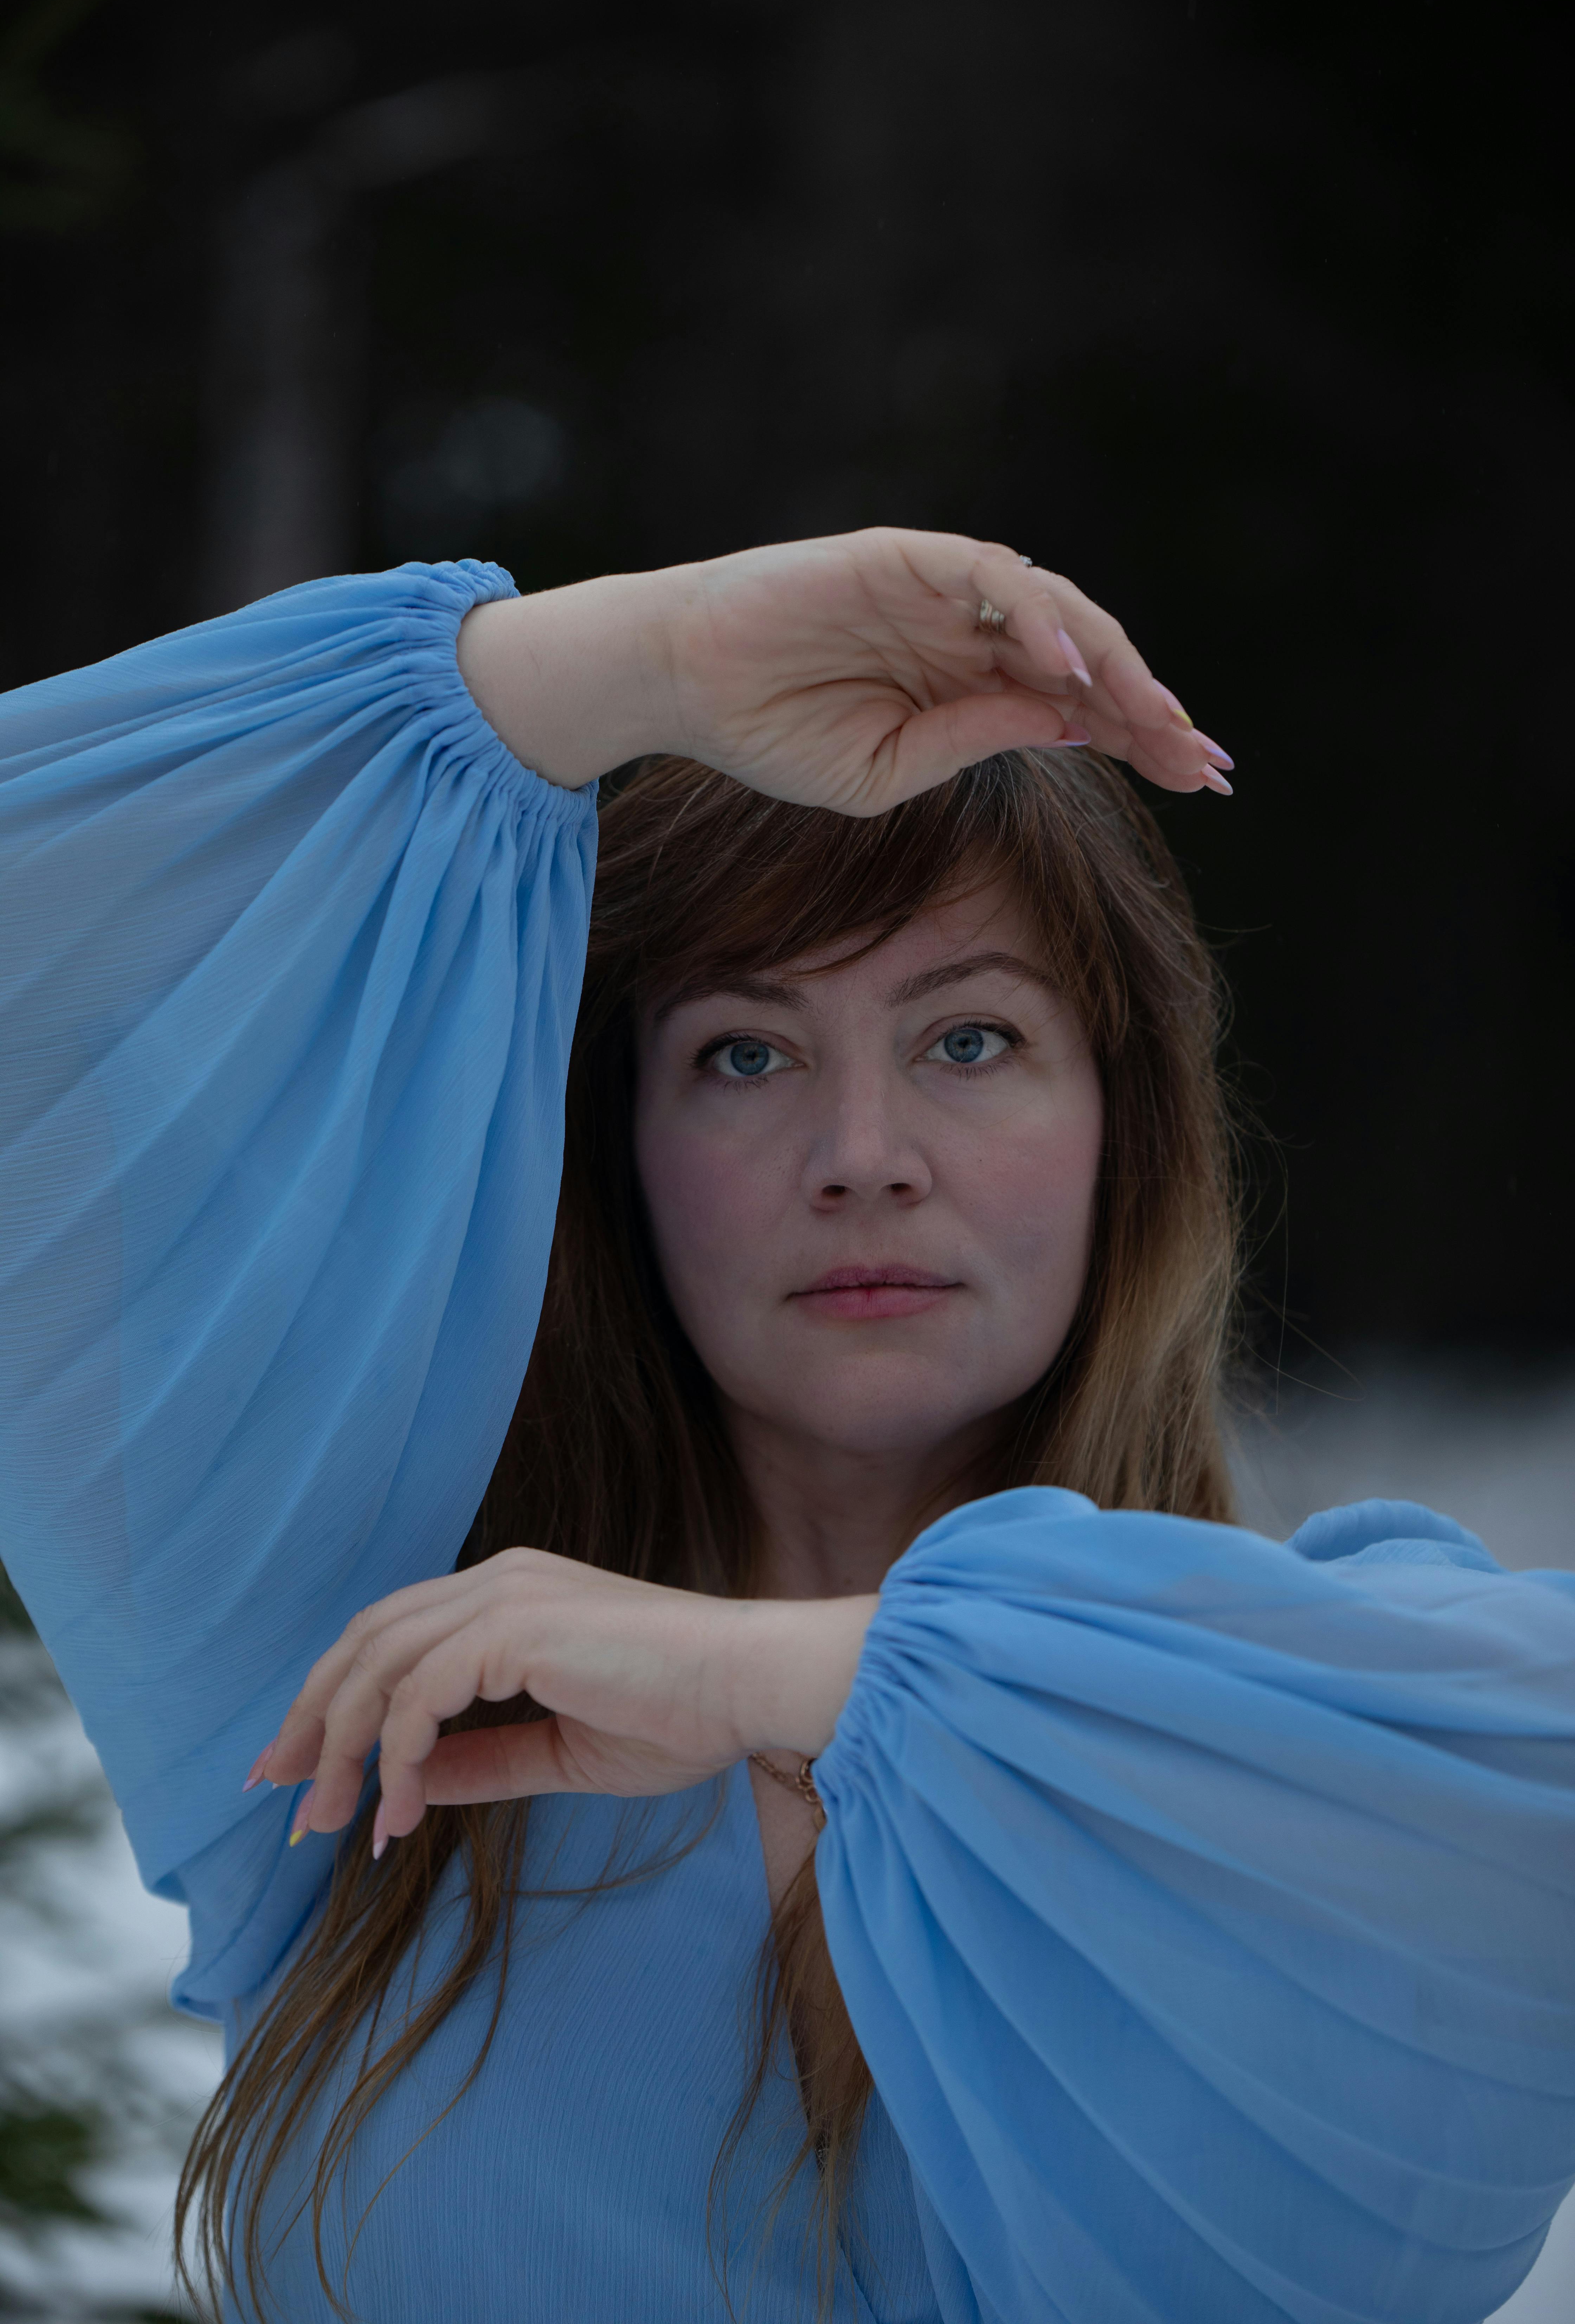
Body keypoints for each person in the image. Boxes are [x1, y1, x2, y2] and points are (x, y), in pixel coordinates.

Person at [0, 529, 1571, 2324]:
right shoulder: (377, 1693)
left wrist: (828, 1680)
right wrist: (635, 668)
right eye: (744, 1054)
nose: (863, 1155)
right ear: (619, 1148)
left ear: (1121, 1127)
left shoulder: (1325, 1755)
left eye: (969, 1041)